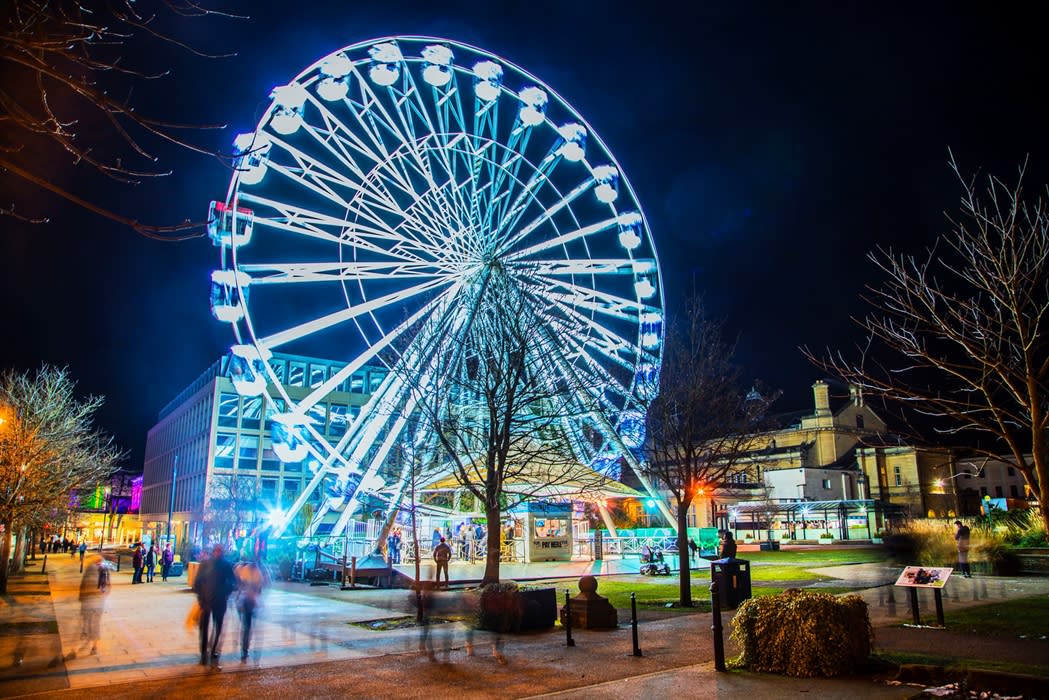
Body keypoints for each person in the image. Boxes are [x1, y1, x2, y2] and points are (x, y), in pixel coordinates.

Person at [192, 544, 238, 668]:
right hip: (207, 602)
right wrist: (201, 599)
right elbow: (197, 583)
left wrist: (226, 591)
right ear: (213, 552)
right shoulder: (205, 564)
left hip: (219, 601)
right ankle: (203, 654)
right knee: (204, 628)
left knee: (217, 628)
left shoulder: (226, 565)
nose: (218, 552)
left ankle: (213, 653)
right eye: (217, 550)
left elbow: (233, 582)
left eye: (220, 551)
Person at [78, 554, 111, 656]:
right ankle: (94, 647)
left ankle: (87, 642)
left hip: (88, 602)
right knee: (95, 624)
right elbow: (108, 587)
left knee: (87, 623)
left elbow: (83, 585)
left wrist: (81, 598)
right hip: (98, 603)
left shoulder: (90, 569)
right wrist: (103, 595)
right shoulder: (105, 571)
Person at [234, 560, 265, 662]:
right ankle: (245, 649)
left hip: (246, 602)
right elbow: (259, 589)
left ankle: (244, 648)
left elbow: (239, 585)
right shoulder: (254, 573)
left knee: (246, 626)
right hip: (248, 602)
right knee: (247, 626)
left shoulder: (244, 571)